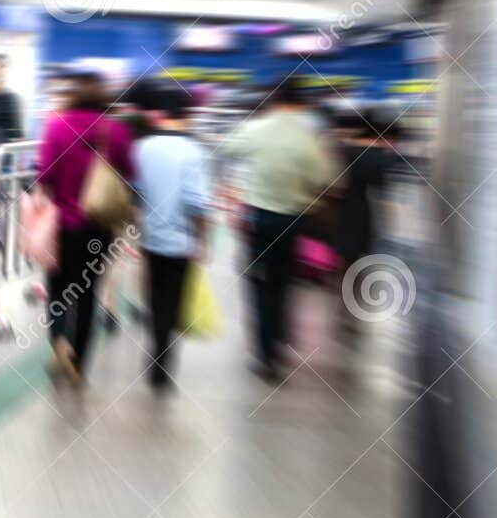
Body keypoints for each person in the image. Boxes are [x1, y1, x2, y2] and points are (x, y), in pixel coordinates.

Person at [219, 78, 335, 382]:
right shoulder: (308, 136)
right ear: (300, 103)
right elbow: (323, 179)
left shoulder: (259, 128)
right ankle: (278, 345)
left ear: (273, 99)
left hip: (259, 221)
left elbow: (228, 147)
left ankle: (264, 355)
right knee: (284, 285)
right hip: (293, 221)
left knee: (259, 284)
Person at [36, 70, 135, 384]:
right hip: (99, 227)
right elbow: (130, 172)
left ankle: (59, 343)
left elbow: (45, 177)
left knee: (57, 290)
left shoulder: (56, 127)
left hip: (62, 227)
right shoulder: (116, 131)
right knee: (88, 291)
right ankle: (79, 362)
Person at [132, 86, 209, 391]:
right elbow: (197, 203)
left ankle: (155, 353)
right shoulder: (193, 151)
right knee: (173, 302)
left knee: (154, 298)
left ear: (160, 114)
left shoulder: (143, 147)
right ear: (186, 116)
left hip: (151, 238)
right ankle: (162, 365)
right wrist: (202, 240)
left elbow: (136, 191)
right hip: (181, 241)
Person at [331, 113, 395, 350]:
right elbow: (383, 191)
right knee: (357, 264)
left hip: (340, 212)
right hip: (361, 215)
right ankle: (349, 314)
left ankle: (342, 312)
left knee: (345, 262)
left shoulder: (342, 150)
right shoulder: (376, 158)